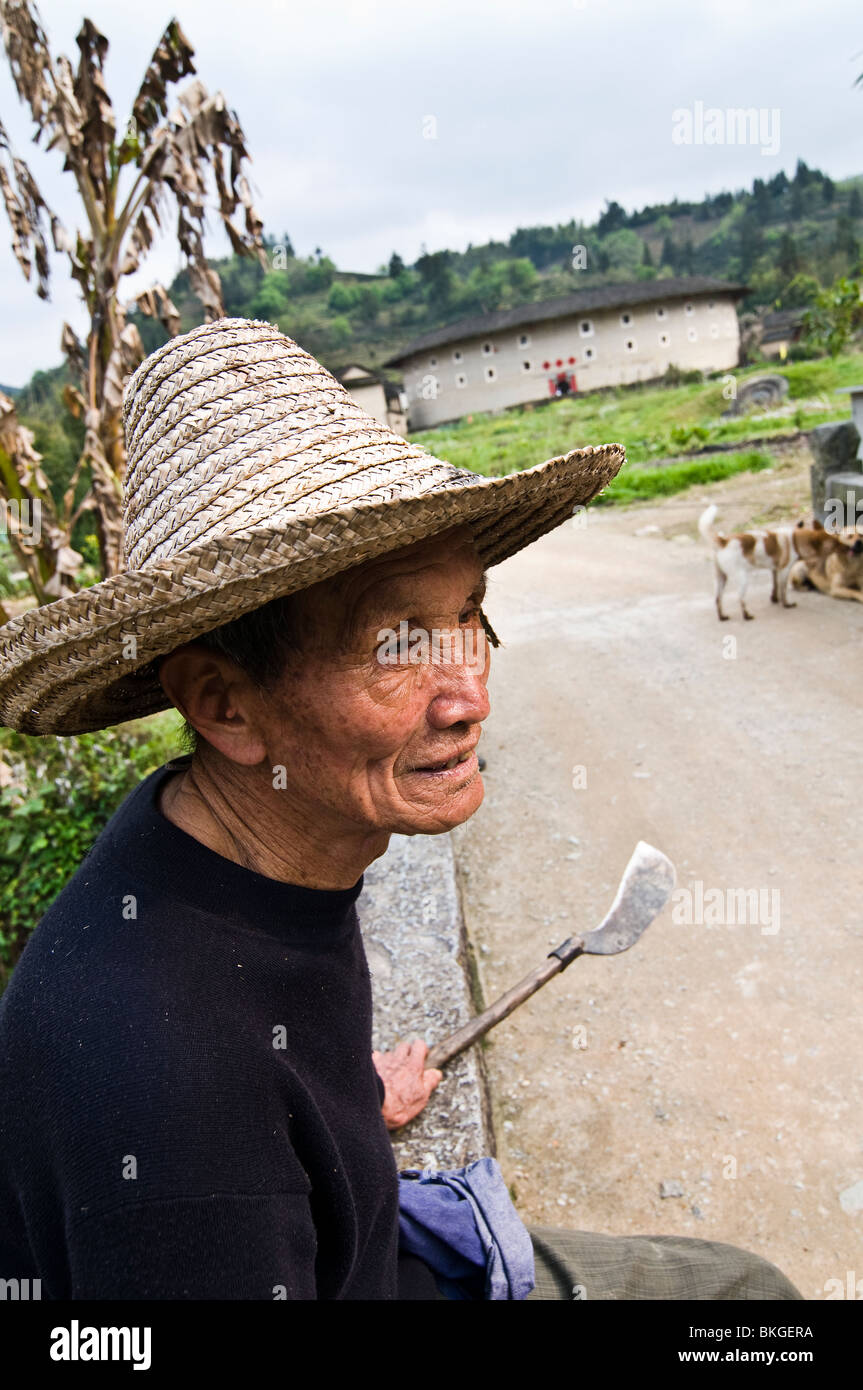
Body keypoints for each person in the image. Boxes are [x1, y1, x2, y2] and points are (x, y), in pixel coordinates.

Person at [0, 318, 801, 1299]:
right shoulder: (174, 1096)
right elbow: (206, 1152)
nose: (471, 695)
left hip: (375, 1245)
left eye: (469, 616)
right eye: (393, 643)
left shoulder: (222, 849)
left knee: (736, 1286)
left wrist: (340, 1101)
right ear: (222, 703)